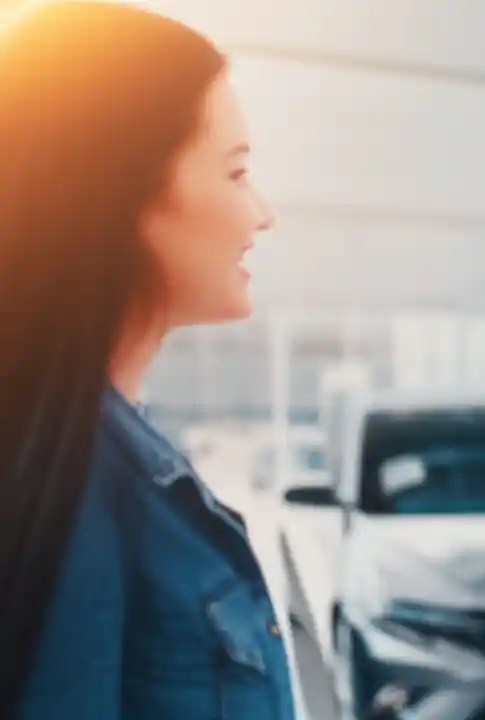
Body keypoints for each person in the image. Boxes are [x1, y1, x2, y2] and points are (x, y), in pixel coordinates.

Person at [0, 3, 285, 718]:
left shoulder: (97, 452)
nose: (262, 212)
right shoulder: (70, 493)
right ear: (123, 189)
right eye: (235, 172)